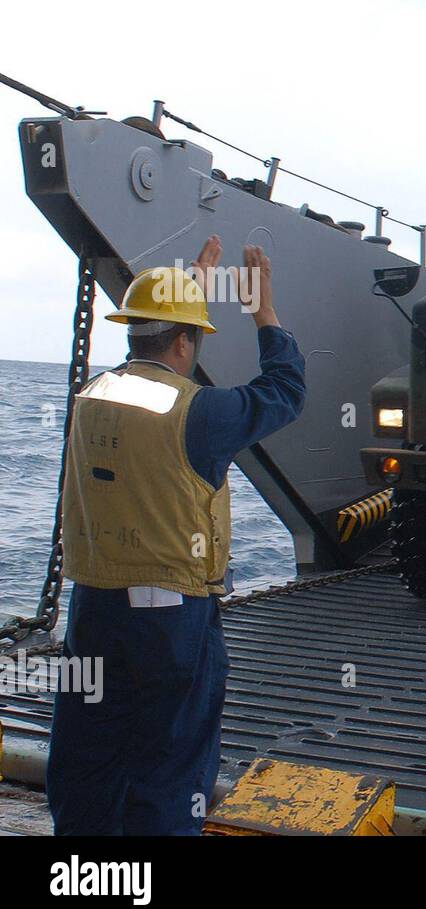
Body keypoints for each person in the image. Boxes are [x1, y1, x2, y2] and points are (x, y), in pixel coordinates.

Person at [46, 235, 306, 835]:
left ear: (133, 331)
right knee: (169, 766)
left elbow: (161, 385)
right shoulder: (202, 416)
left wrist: (187, 293)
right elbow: (285, 390)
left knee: (87, 760)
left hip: (92, 612)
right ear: (187, 341)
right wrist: (262, 308)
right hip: (167, 623)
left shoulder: (93, 396)